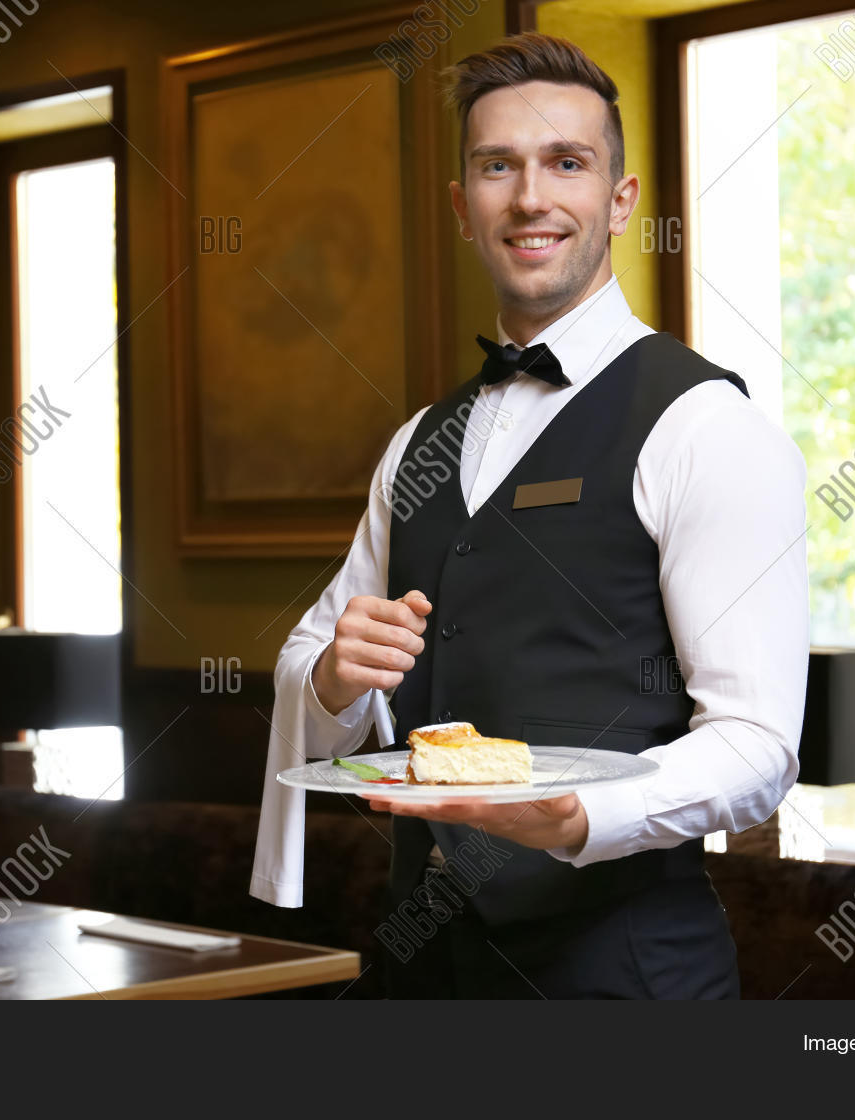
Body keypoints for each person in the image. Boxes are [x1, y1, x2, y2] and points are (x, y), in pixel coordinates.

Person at [258, 32, 809, 998]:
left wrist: (584, 815)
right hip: (419, 969)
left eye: (567, 162)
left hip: (621, 982)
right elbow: (312, 677)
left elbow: (759, 746)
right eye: (496, 166)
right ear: (463, 209)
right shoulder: (417, 443)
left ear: (622, 200)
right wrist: (338, 681)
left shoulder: (705, 427)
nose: (530, 197)